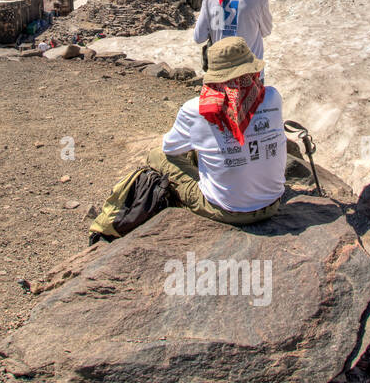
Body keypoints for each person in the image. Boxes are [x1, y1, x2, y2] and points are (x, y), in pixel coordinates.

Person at [85, 38, 289, 242]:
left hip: (226, 210)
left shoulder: (198, 109)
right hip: (272, 203)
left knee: (157, 156)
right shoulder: (272, 97)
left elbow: (170, 149)